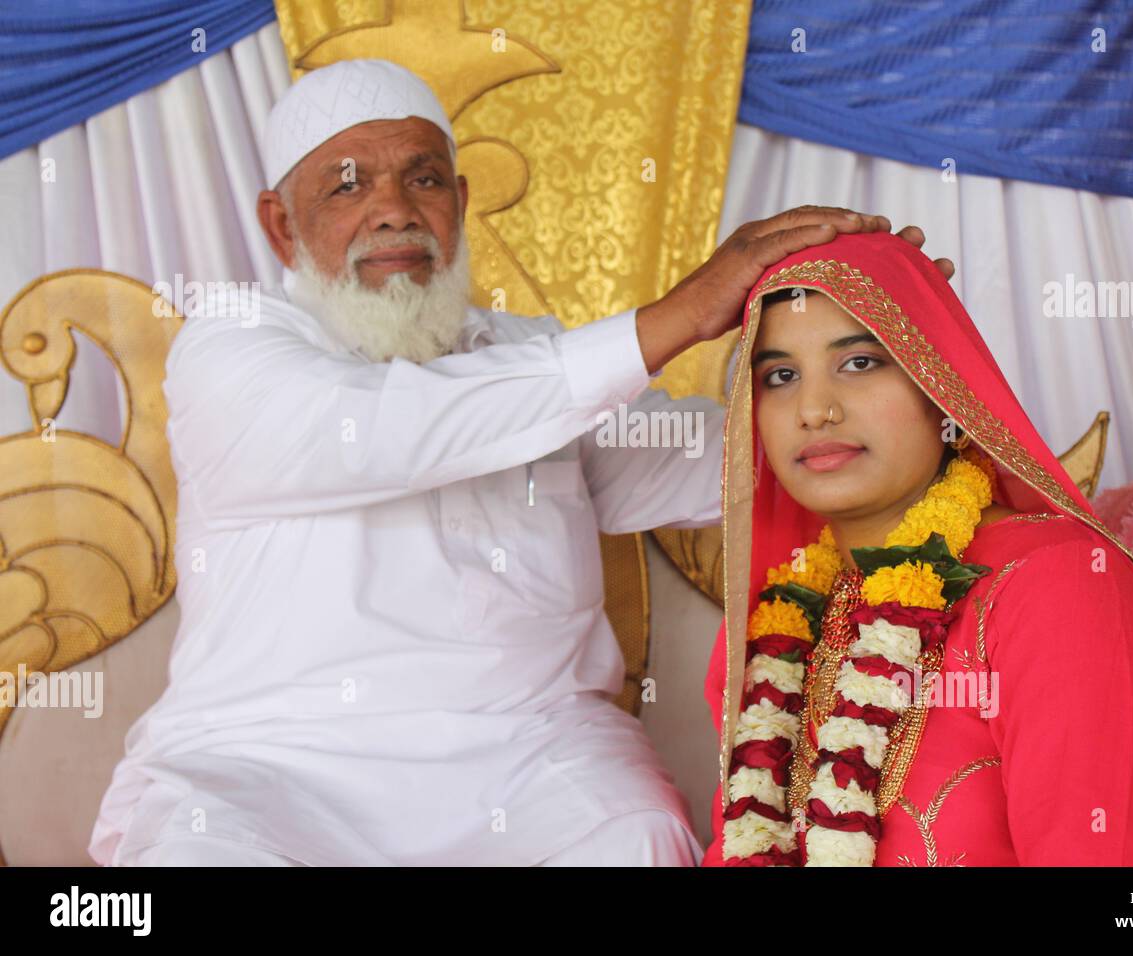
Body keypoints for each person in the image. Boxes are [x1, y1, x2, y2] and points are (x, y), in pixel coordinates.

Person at [88, 57, 947, 866]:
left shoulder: (531, 360)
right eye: (346, 184)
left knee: (638, 836)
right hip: (268, 764)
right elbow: (400, 430)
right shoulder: (233, 349)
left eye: (421, 178)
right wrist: (681, 313)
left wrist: (887, 358)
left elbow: (727, 459)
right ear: (281, 223)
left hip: (530, 753)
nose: (393, 210)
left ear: (459, 202)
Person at [703, 231, 1133, 866]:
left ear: (946, 388)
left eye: (860, 362)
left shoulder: (1059, 583)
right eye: (780, 375)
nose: (814, 409)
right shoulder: (771, 626)